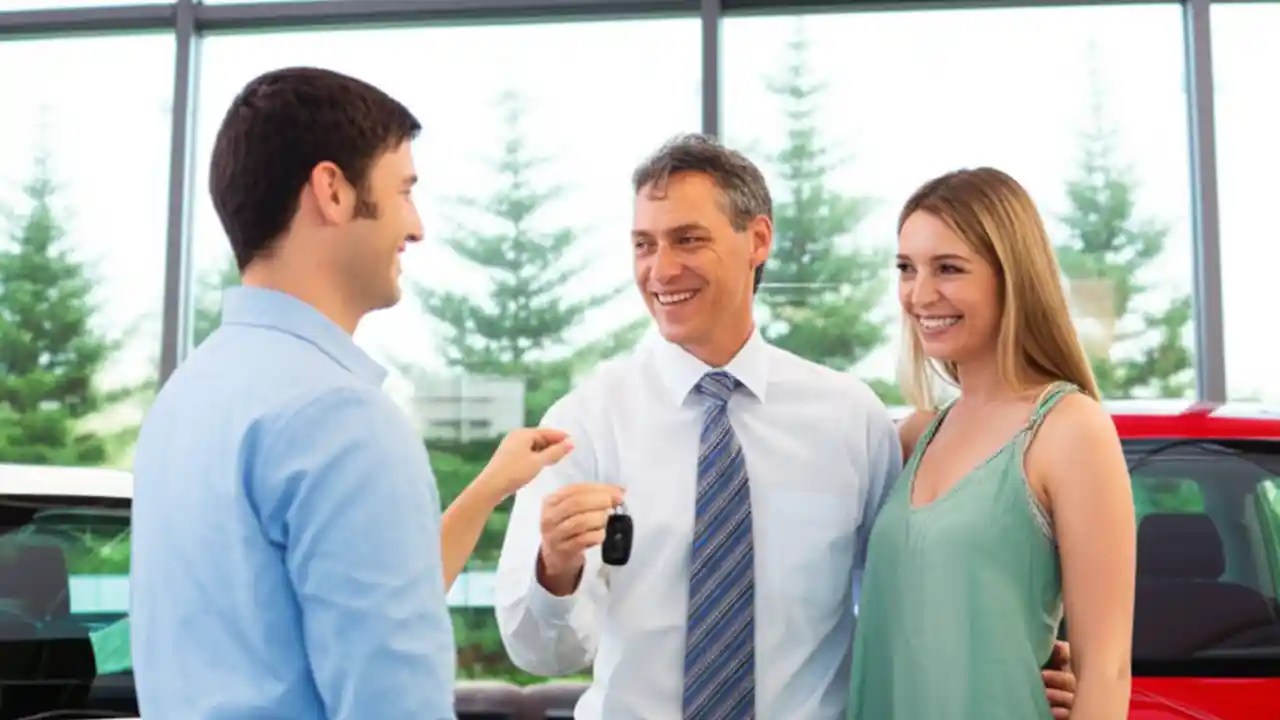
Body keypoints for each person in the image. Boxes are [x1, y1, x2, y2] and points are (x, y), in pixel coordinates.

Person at [494, 133, 1076, 718]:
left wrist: (1024, 662)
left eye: (688, 239)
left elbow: (904, 602)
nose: (661, 269)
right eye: (644, 244)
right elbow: (539, 653)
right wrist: (556, 569)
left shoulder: (850, 419)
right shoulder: (584, 423)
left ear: (758, 240)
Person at [129, 66, 571, 719]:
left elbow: (335, 608)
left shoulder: (187, 399)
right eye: (405, 192)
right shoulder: (340, 419)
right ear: (332, 191)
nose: (416, 227)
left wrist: (487, 489)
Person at [847, 167, 1136, 719]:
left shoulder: (1069, 430)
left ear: (1013, 276)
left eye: (948, 268)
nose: (919, 294)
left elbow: (1106, 668)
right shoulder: (914, 436)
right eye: (906, 268)